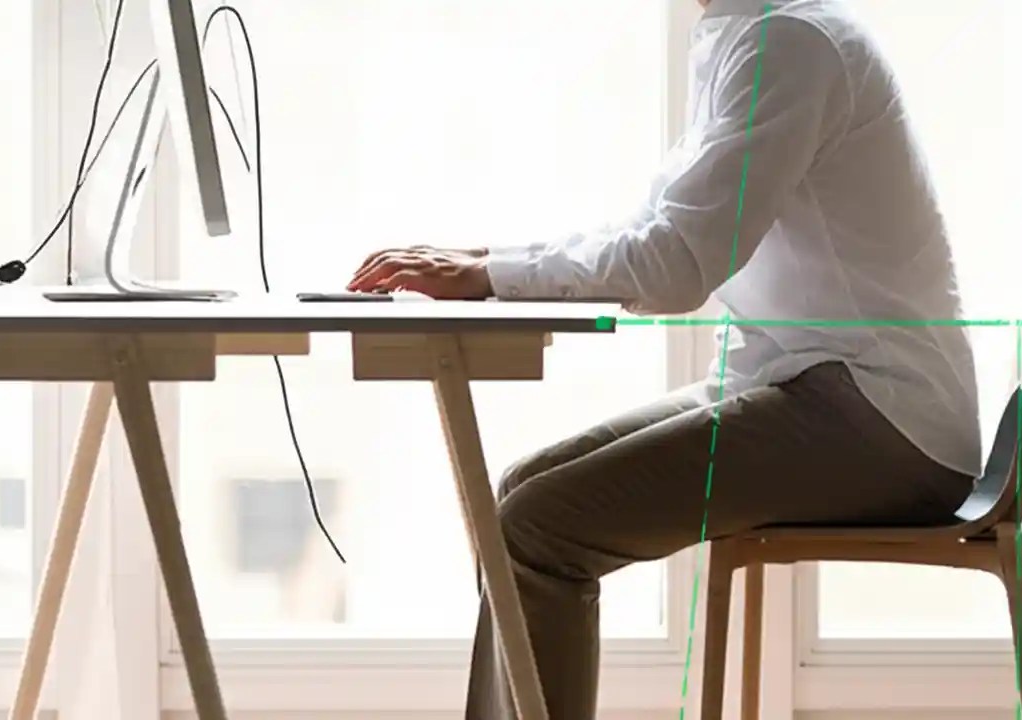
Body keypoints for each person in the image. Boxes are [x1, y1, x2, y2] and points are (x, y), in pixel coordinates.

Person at [348, 0, 984, 717]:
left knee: (537, 527)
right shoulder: (747, 35)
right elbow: (660, 227)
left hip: (882, 420)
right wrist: (489, 261)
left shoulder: (791, 47)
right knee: (522, 494)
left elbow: (676, 264)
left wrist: (492, 277)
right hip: (816, 387)